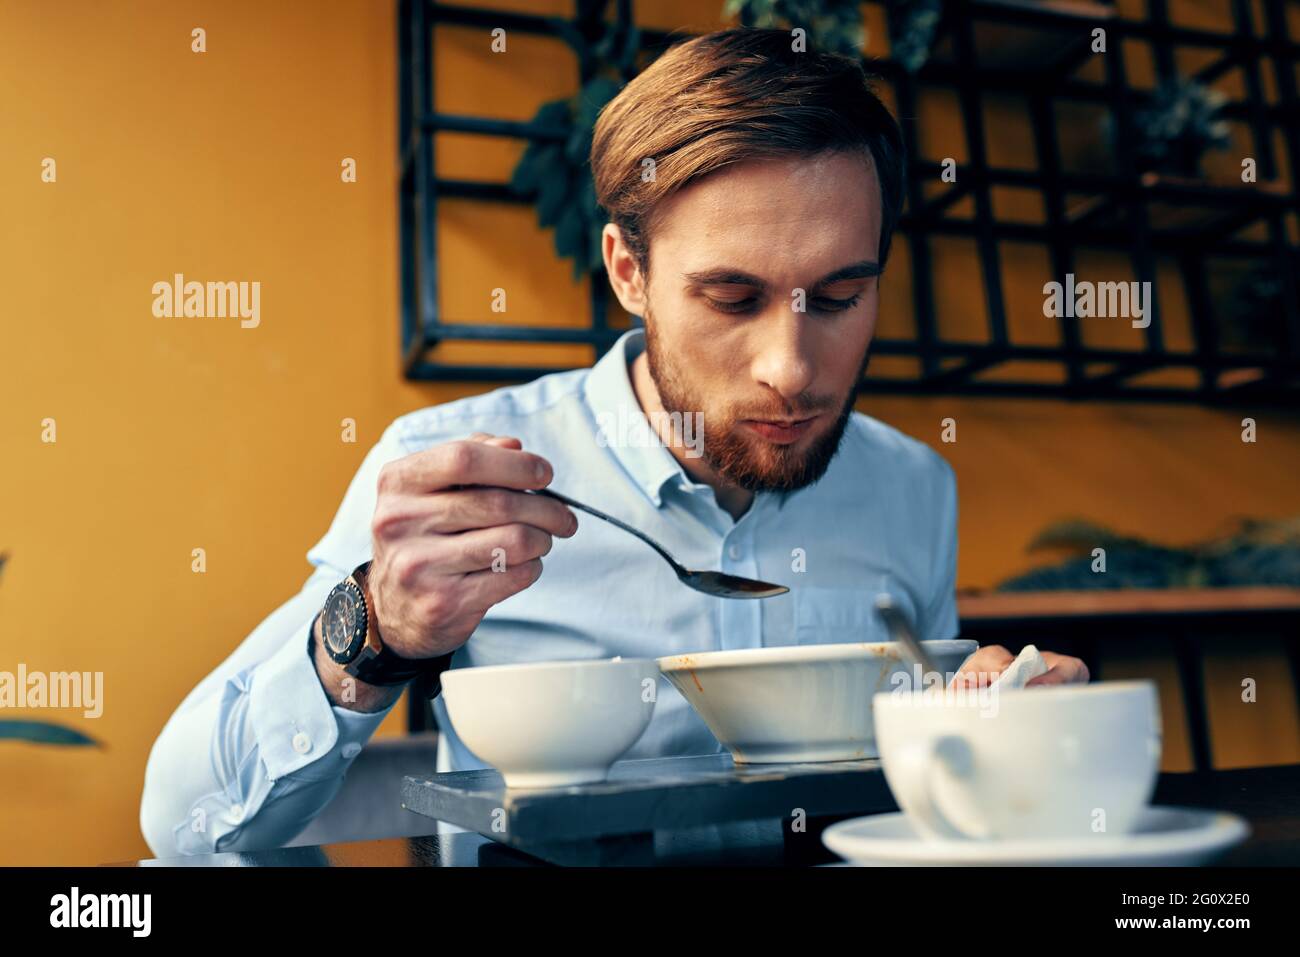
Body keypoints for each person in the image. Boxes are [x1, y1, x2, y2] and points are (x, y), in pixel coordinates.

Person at [140, 26, 1086, 858]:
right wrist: (376, 629)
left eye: (839, 298)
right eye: (732, 298)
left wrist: (1008, 730)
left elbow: (928, 783)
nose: (793, 369)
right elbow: (182, 823)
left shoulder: (914, 486)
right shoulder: (451, 470)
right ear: (628, 270)